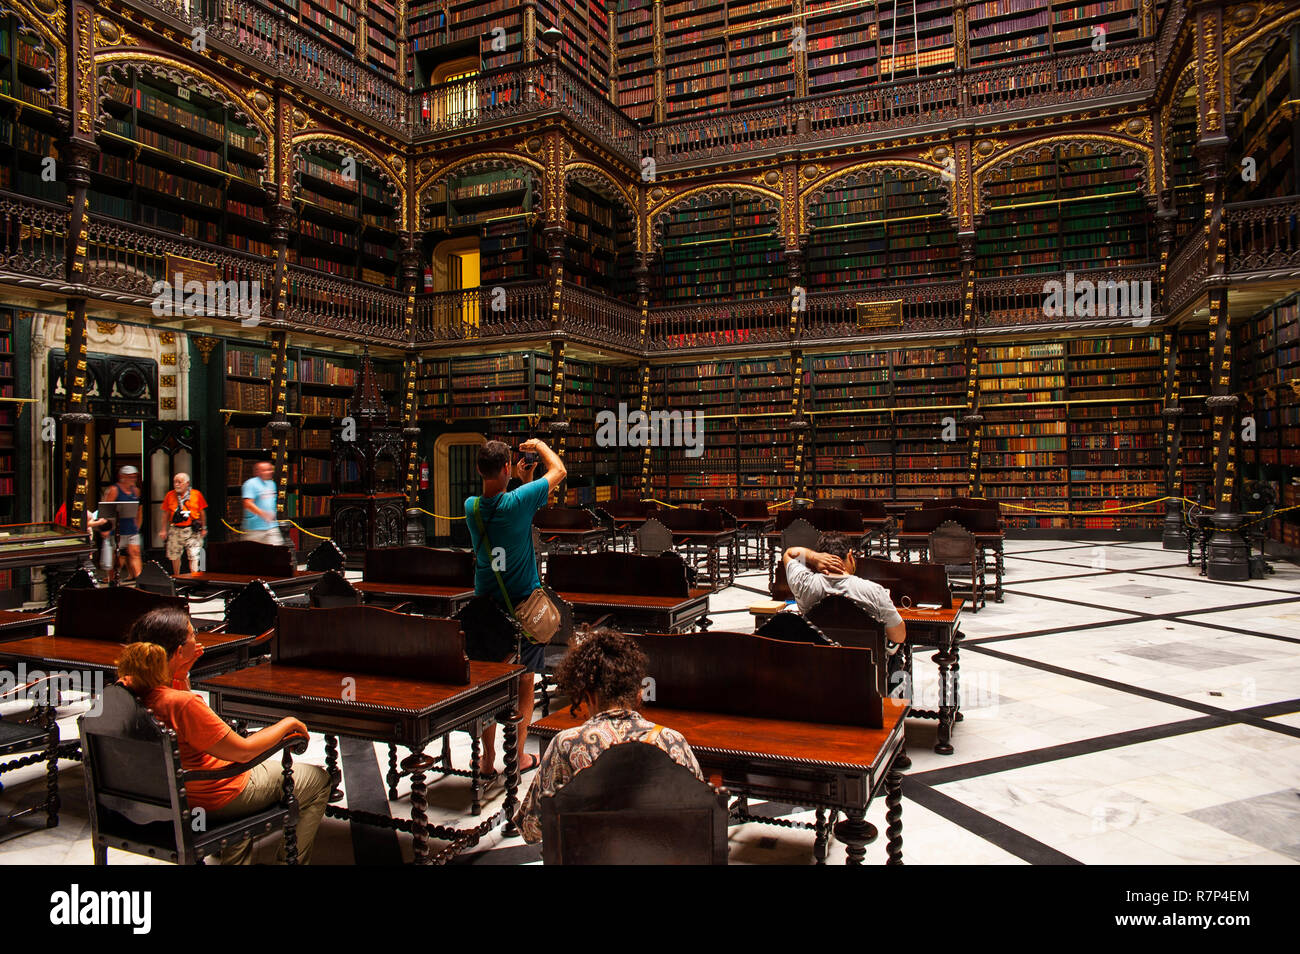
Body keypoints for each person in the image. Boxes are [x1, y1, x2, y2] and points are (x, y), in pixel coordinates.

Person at [114, 606, 330, 864]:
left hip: (163, 795)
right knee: (319, 780)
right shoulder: (181, 704)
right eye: (193, 634)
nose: (199, 637)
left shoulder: (124, 689)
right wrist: (287, 724)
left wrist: (181, 673)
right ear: (180, 650)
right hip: (215, 795)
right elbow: (244, 750)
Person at [513, 627, 703, 843]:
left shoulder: (567, 745)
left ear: (587, 695)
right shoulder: (672, 741)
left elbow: (532, 829)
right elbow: (701, 819)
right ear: (639, 694)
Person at [465, 438, 565, 777]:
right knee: (524, 682)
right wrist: (538, 444)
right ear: (507, 467)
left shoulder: (471, 507)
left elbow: (507, 513)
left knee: (490, 684)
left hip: (484, 610)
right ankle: (519, 756)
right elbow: (559, 470)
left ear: (479, 469)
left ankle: (487, 759)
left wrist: (521, 481)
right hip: (522, 608)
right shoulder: (518, 502)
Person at [782, 532, 907, 654]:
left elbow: (790, 553)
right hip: (863, 670)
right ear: (850, 555)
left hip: (819, 667)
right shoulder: (874, 591)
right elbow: (899, 636)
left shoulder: (803, 584)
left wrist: (813, 557)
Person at [99, 465, 143, 582]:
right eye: (130, 477)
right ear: (122, 476)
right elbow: (106, 509)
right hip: (117, 529)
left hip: (131, 529)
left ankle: (140, 580)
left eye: (134, 477)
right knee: (117, 557)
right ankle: (112, 578)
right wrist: (105, 528)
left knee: (135, 552)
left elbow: (139, 509)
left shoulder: (136, 490)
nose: (133, 479)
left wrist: (137, 525)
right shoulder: (114, 490)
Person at [159, 472, 207, 574]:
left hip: (192, 529)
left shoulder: (196, 494)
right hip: (176, 529)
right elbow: (166, 514)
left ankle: (194, 577)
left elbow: (202, 512)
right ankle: (177, 577)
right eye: (175, 482)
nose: (177, 484)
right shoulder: (170, 495)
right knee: (174, 555)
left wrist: (204, 527)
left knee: (194, 555)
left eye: (179, 482)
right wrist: (163, 529)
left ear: (187, 483)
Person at [241, 460, 283, 545]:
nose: (269, 472)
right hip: (254, 529)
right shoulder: (250, 484)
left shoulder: (272, 484)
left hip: (271, 527)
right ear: (258, 472)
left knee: (277, 552)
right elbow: (247, 503)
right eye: (265, 470)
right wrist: (263, 514)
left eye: (270, 469)